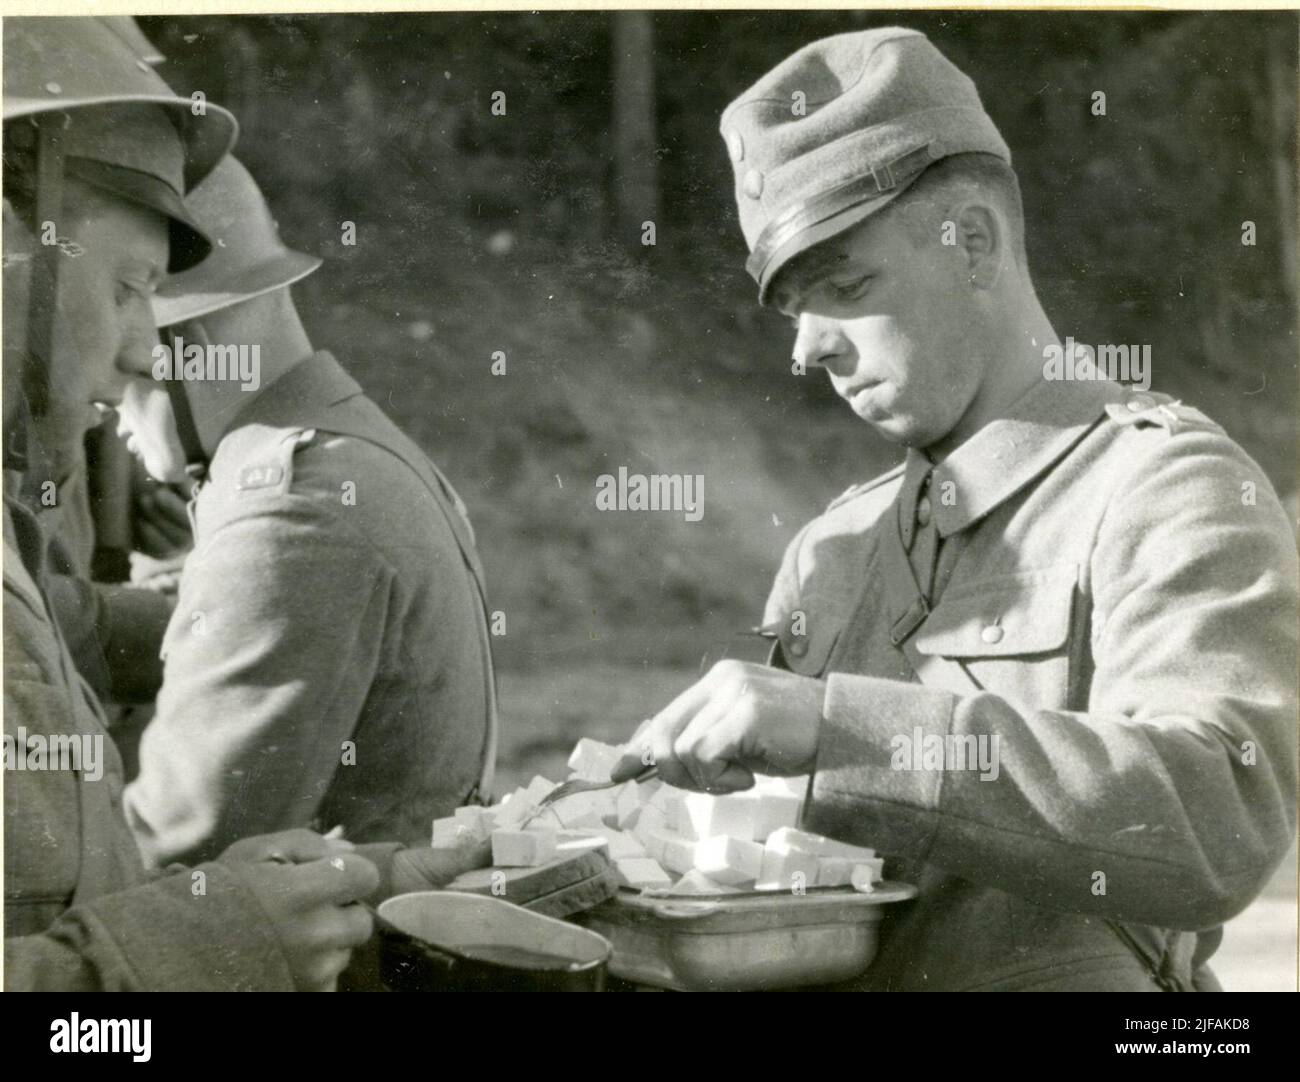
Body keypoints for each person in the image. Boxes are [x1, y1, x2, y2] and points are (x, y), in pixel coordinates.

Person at [612, 26, 1297, 991]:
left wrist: (840, 730)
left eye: (844, 287)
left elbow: (1221, 814)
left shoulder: (1163, 486)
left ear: (973, 239)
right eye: (793, 309)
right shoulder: (833, 550)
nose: (807, 352)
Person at [3, 16, 478, 992]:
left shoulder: (292, 502)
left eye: (153, 297)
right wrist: (204, 942)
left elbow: (133, 865)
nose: (140, 352)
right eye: (125, 288)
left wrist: (334, 884)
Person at [119, 154, 498, 868]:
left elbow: (180, 851)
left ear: (187, 350)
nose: (111, 408)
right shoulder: (349, 448)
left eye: (130, 359)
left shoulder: (288, 510)